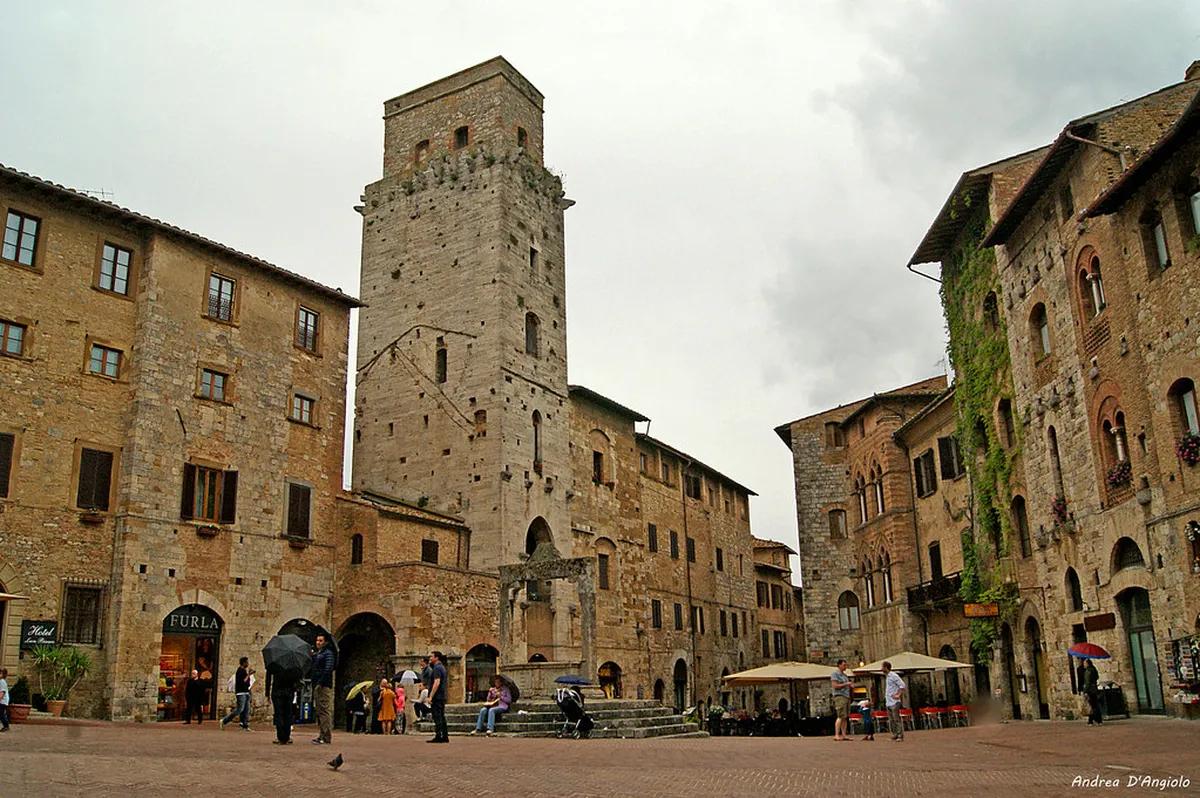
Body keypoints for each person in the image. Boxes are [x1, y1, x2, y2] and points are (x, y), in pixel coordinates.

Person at [310, 634, 336, 745]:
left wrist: (320, 682)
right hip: (318, 684)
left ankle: (326, 736)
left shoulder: (328, 653)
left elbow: (328, 669)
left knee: (324, 711)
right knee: (320, 711)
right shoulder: (320, 654)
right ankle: (322, 734)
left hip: (324, 685)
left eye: (320, 640)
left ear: (325, 642)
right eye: (317, 640)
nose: (318, 642)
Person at [220, 656, 253, 731]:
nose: (248, 663)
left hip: (246, 692)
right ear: (243, 663)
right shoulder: (240, 671)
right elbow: (242, 682)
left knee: (246, 710)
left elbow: (247, 682)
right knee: (239, 709)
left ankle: (245, 725)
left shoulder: (244, 670)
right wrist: (248, 675)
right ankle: (224, 720)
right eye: (247, 662)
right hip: (241, 693)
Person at [271, 671, 300, 744]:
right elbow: (296, 680)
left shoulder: (274, 664)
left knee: (279, 714)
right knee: (287, 714)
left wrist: (267, 692)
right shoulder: (293, 666)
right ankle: (286, 736)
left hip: (277, 692)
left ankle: (280, 737)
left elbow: (269, 677)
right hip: (289, 692)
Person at [427, 650, 449, 743]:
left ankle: (439, 735)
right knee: (441, 716)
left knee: (437, 716)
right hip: (441, 695)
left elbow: (436, 682)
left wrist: (431, 696)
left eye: (431, 657)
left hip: (437, 696)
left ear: (436, 658)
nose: (430, 658)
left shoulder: (437, 668)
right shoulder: (442, 667)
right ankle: (444, 735)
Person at [882, 661, 906, 742]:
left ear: (886, 667)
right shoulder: (887, 676)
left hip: (894, 702)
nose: (881, 669)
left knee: (896, 719)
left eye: (882, 667)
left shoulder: (893, 675)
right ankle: (895, 734)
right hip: (888, 701)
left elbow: (902, 685)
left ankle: (900, 735)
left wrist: (898, 695)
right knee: (891, 720)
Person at [830, 659, 852, 741]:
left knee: (845, 717)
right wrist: (846, 684)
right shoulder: (835, 674)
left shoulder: (845, 675)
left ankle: (844, 734)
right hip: (840, 696)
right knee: (840, 715)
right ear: (839, 665)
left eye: (846, 665)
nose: (845, 666)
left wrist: (850, 686)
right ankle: (836, 734)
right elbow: (835, 685)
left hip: (846, 696)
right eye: (844, 665)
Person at [1084, 660, 1103, 726]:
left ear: (1087, 664)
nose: (1084, 665)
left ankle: (1093, 720)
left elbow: (1087, 682)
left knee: (1092, 706)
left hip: (1090, 690)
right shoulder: (1094, 669)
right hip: (1095, 689)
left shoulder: (1088, 671)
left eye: (1085, 663)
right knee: (1095, 705)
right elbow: (1097, 677)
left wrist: (1085, 691)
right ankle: (1095, 720)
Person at [0, 668, 10, 732]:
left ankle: (6, 726)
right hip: (2, 701)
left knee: (1, 714)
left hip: (2, 701)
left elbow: (2, 693)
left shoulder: (2, 682)